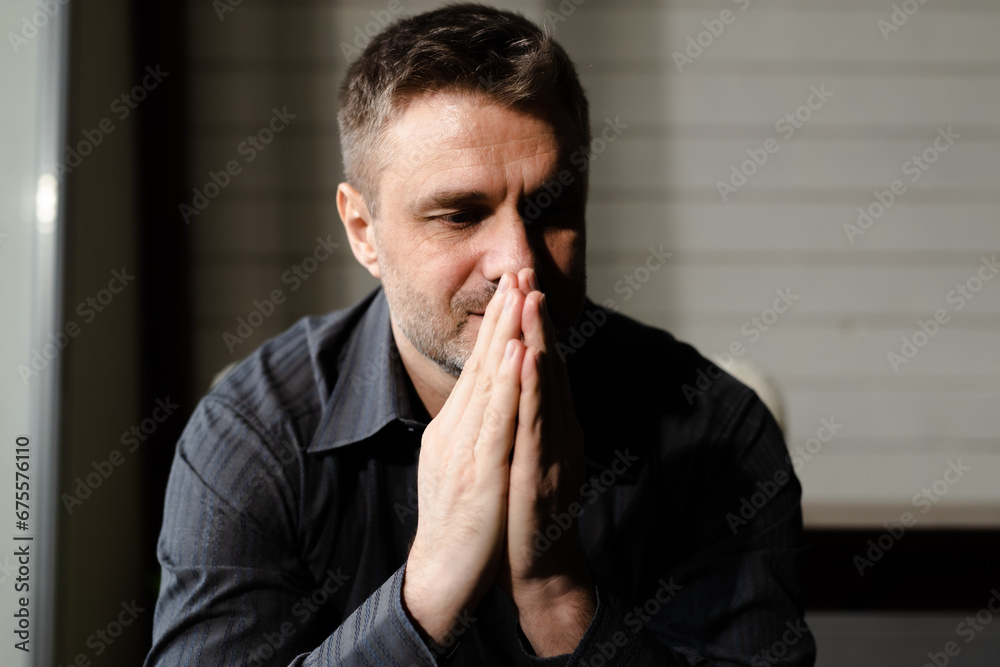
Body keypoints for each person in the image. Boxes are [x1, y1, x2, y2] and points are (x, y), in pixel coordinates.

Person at [146, 5, 815, 666]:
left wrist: (559, 597)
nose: (519, 263)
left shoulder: (720, 428)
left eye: (550, 207)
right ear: (363, 231)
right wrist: (427, 591)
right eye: (460, 215)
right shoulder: (253, 434)